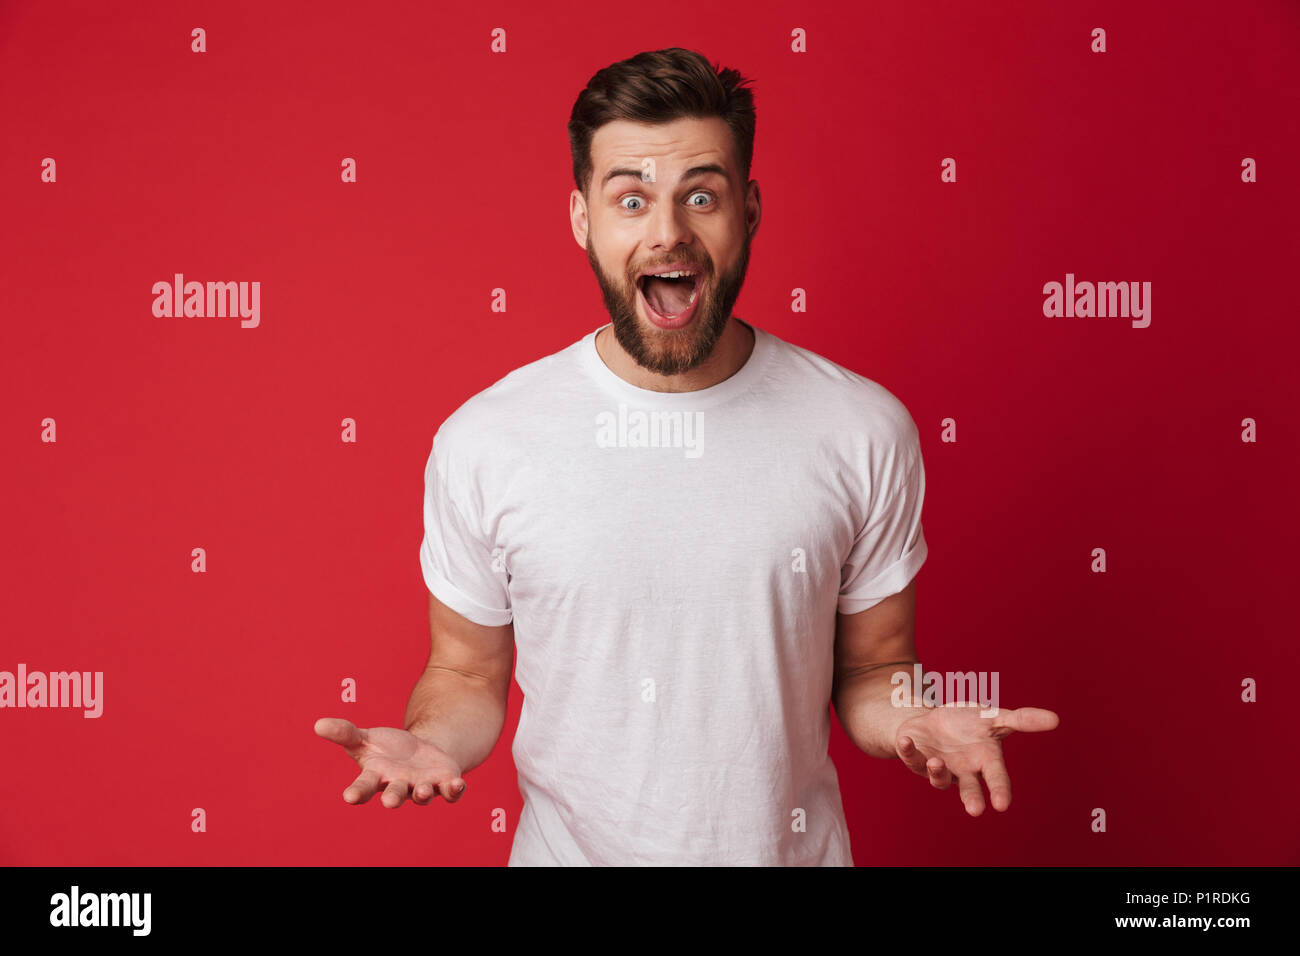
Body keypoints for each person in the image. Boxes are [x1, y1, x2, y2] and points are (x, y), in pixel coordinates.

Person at [315, 47, 1059, 866]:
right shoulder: (486, 440)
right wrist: (434, 744)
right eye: (630, 199)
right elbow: (462, 676)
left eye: (700, 196)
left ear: (749, 211)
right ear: (582, 220)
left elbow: (876, 665)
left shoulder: (862, 427)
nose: (667, 231)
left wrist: (914, 717)